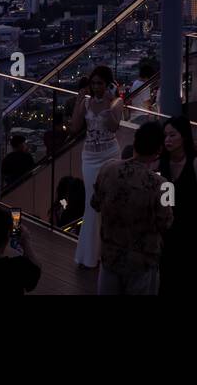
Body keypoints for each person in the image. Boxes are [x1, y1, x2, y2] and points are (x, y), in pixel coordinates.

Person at [94, 120, 174, 295]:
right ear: (159, 150)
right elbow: (167, 223)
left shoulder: (107, 169)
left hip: (110, 258)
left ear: (135, 141)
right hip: (143, 262)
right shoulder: (164, 186)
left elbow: (95, 203)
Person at [71, 65, 124, 269]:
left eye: (100, 83)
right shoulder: (85, 102)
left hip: (110, 155)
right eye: (93, 84)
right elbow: (75, 127)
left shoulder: (116, 102)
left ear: (108, 84)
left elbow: (113, 126)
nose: (95, 87)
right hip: (90, 157)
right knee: (91, 204)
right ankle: (89, 255)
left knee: (109, 203)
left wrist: (109, 102)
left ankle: (103, 253)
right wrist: (78, 100)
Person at [158, 116, 197, 294]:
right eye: (165, 136)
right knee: (168, 279)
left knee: (192, 278)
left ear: (184, 137)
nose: (168, 140)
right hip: (169, 232)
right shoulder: (163, 164)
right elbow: (165, 200)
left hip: (191, 232)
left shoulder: (195, 164)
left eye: (172, 135)